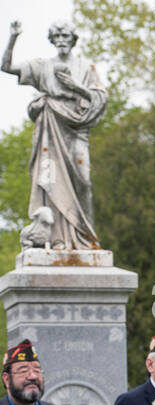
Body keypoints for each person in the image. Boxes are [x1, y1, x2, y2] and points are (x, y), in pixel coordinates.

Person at [1, 20, 108, 250]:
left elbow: (100, 99)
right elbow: (6, 66)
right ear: (52, 40)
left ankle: (86, 239)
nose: (61, 41)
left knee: (85, 181)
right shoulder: (43, 65)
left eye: (65, 36)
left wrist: (76, 87)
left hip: (76, 128)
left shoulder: (86, 68)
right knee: (51, 182)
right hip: (51, 125)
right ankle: (57, 238)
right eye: (56, 37)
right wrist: (13, 38)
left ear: (73, 39)